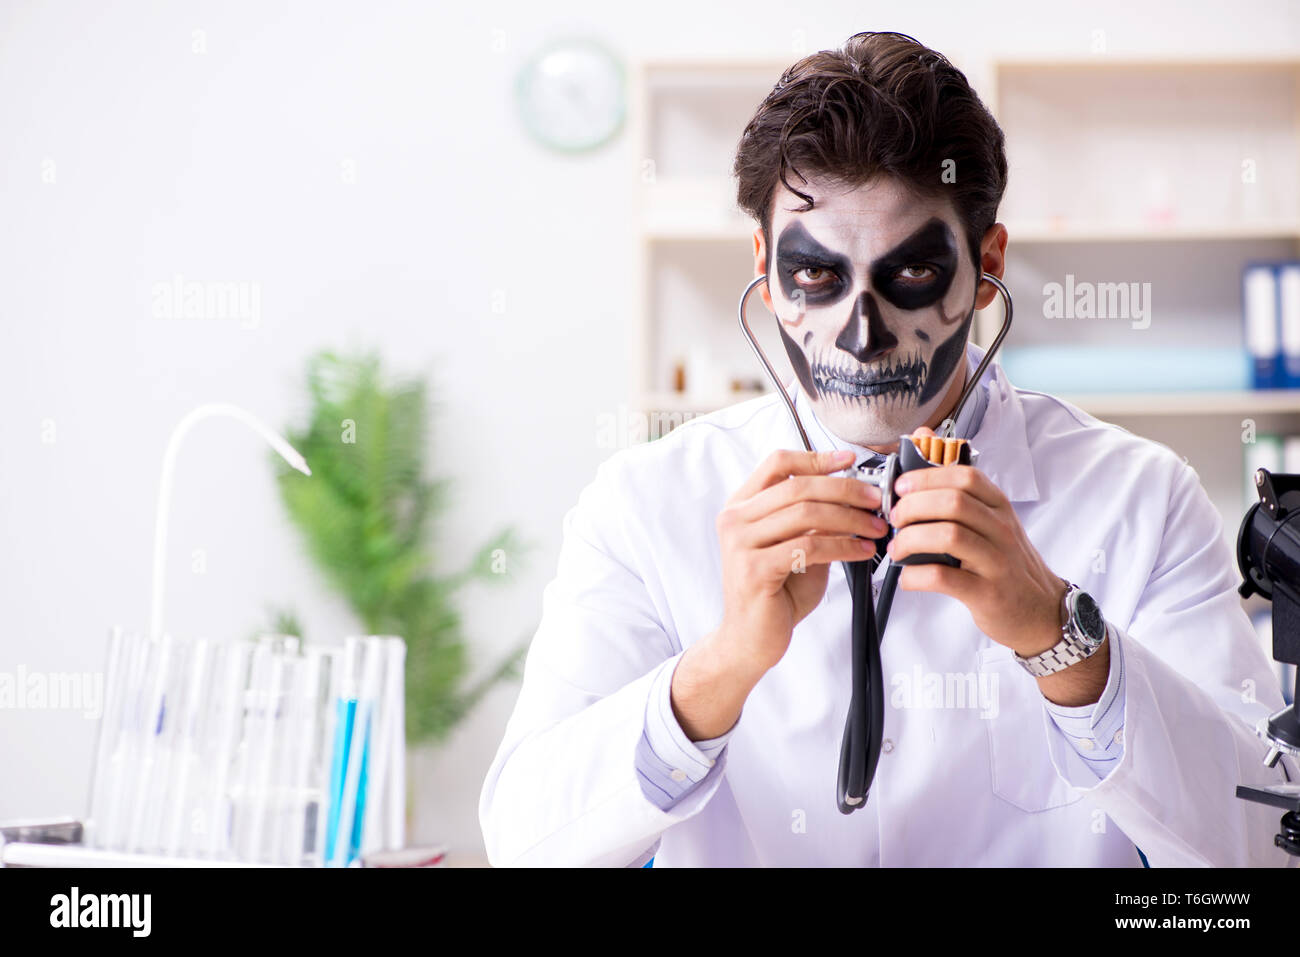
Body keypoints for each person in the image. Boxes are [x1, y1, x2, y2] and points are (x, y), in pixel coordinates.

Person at [479, 31, 1292, 866]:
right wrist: (720, 667)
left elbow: (1269, 842)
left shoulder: (1141, 498)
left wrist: (1062, 637)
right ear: (764, 268)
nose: (862, 337)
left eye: (909, 276)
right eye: (817, 278)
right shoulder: (646, 502)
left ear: (985, 266)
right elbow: (524, 845)